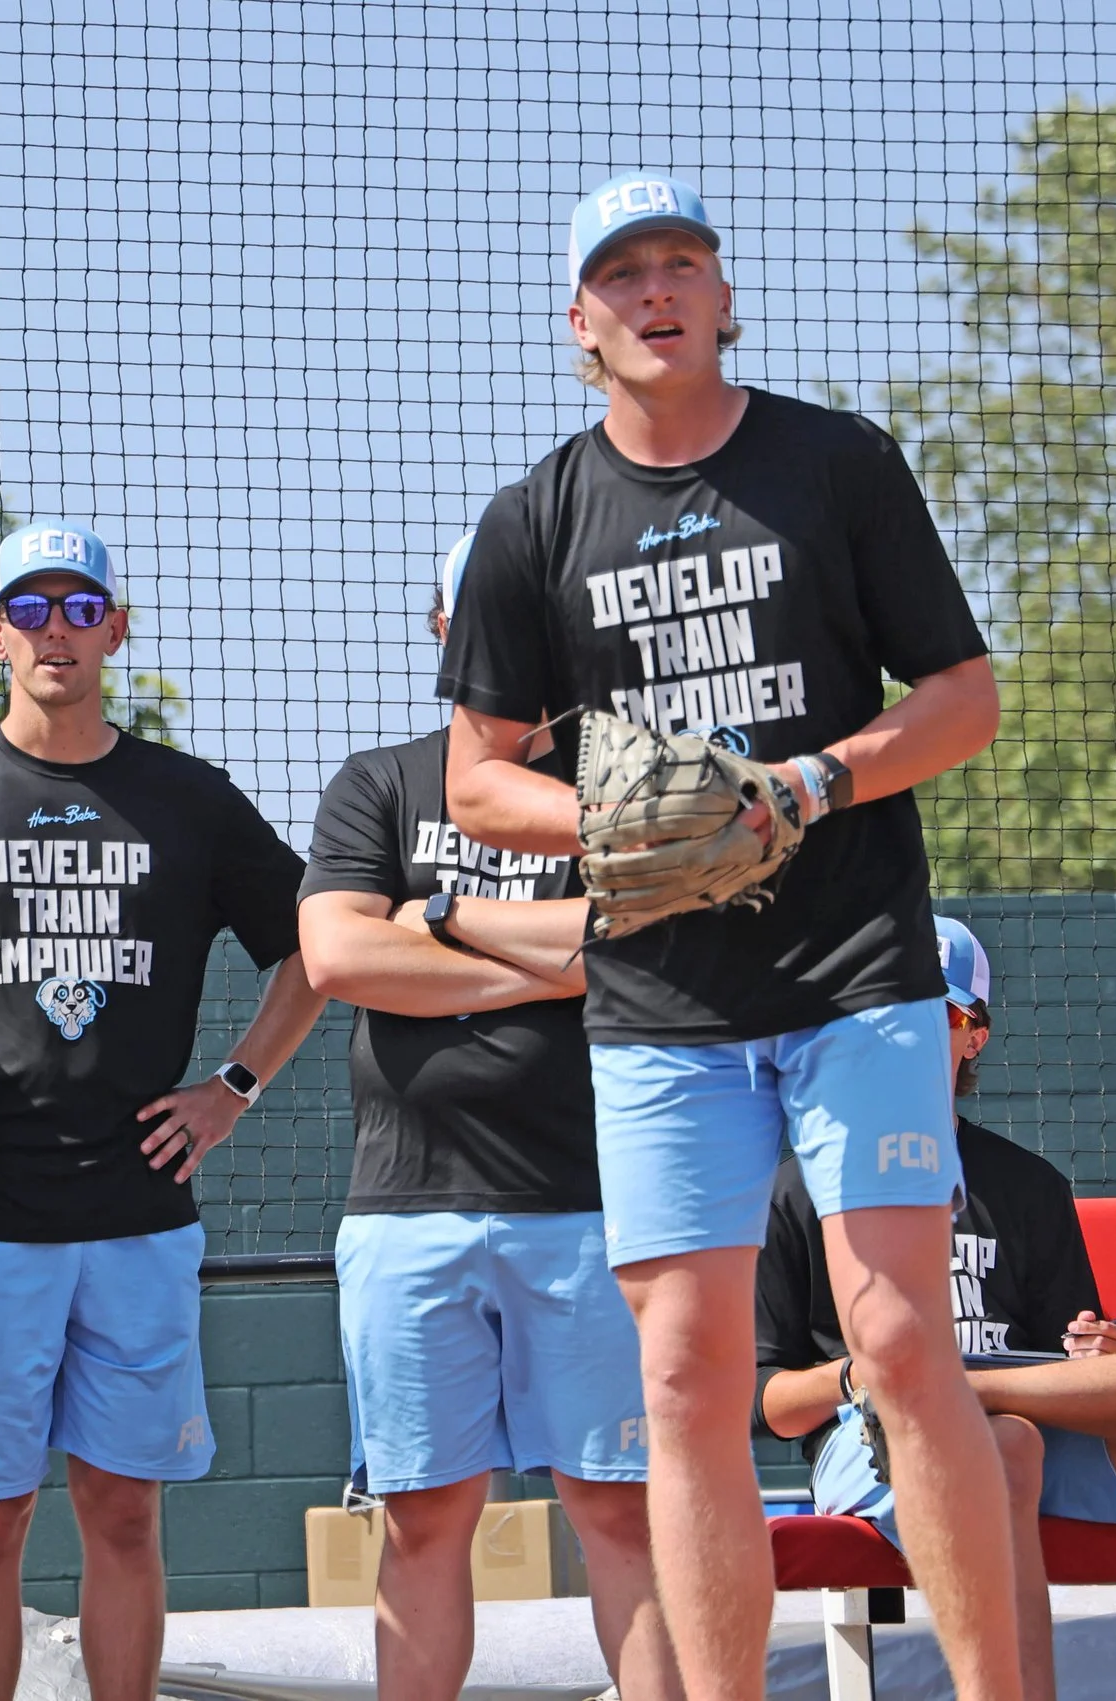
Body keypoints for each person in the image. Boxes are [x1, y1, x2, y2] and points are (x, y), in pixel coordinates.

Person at [436, 171, 1016, 1700]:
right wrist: (627, 824)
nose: (659, 290)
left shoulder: (834, 464)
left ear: (723, 293)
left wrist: (813, 780)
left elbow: (963, 701)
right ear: (581, 318)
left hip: (855, 973)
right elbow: (482, 780)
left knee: (899, 1344)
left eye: (685, 261)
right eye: (625, 273)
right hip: (662, 998)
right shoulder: (534, 519)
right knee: (686, 1378)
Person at [0, 521, 326, 1701]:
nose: (56, 630)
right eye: (30, 609)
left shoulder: (188, 798)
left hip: (141, 1217)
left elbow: (317, 947)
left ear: (117, 631)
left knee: (126, 1518)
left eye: (80, 607)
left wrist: (232, 1088)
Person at [295, 535, 681, 1701]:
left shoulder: (615, 791)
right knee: (423, 1524)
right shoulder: (378, 783)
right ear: (441, 631)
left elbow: (626, 941)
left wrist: (444, 918)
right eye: (474, 621)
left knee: (619, 1515)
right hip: (408, 1215)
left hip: (589, 1208)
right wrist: (543, 959)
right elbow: (333, 955)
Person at [755, 915, 1116, 1701]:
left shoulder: (1029, 1185)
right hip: (877, 1440)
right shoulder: (802, 1184)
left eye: (931, 1015)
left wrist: (1106, 1357)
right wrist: (859, 1376)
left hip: (1021, 1423)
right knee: (1002, 1447)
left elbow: (1064, 1368)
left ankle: (956, 1385)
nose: (902, 1036)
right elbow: (760, 1402)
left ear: (973, 1037)